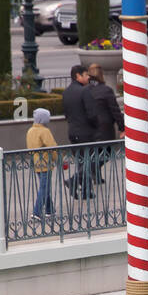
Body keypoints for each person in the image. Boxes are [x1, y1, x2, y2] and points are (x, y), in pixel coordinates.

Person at [61, 65, 100, 200]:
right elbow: (92, 114)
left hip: (72, 131)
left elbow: (66, 114)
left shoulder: (66, 92)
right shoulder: (85, 91)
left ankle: (86, 191)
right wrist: (96, 126)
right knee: (88, 161)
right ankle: (73, 181)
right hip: (85, 133)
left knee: (81, 161)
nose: (88, 77)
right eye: (86, 75)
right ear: (78, 76)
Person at [26, 108, 57, 221]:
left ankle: (50, 210)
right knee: (44, 187)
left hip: (36, 163)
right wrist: (59, 160)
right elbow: (53, 147)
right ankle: (37, 213)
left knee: (45, 186)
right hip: (45, 163)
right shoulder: (45, 131)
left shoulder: (30, 131)